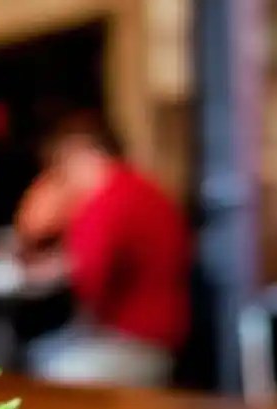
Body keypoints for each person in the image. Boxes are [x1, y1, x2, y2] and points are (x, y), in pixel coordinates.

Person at [18, 113, 191, 387]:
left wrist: (36, 223)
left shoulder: (107, 200)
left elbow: (89, 280)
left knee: (39, 364)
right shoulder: (138, 187)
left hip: (137, 341)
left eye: (62, 167)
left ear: (84, 156)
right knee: (42, 350)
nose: (62, 178)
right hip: (166, 334)